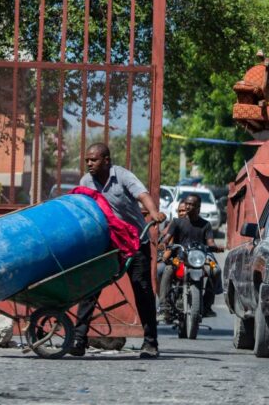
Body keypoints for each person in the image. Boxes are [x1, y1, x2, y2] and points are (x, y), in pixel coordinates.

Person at [70, 143, 166, 359]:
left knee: (142, 288)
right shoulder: (86, 181)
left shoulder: (122, 176)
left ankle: (150, 342)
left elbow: (142, 195)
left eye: (93, 160)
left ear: (106, 160)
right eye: (87, 160)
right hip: (107, 241)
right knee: (91, 287)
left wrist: (154, 212)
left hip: (135, 240)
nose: (89, 164)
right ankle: (79, 339)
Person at [158, 194, 222, 321]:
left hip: (200, 257)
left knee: (216, 270)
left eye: (191, 204)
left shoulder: (205, 224)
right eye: (187, 203)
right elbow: (167, 237)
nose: (188, 206)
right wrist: (163, 244)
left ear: (198, 207)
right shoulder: (177, 222)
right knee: (167, 270)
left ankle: (207, 305)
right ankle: (164, 308)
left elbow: (210, 242)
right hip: (180, 257)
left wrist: (216, 247)